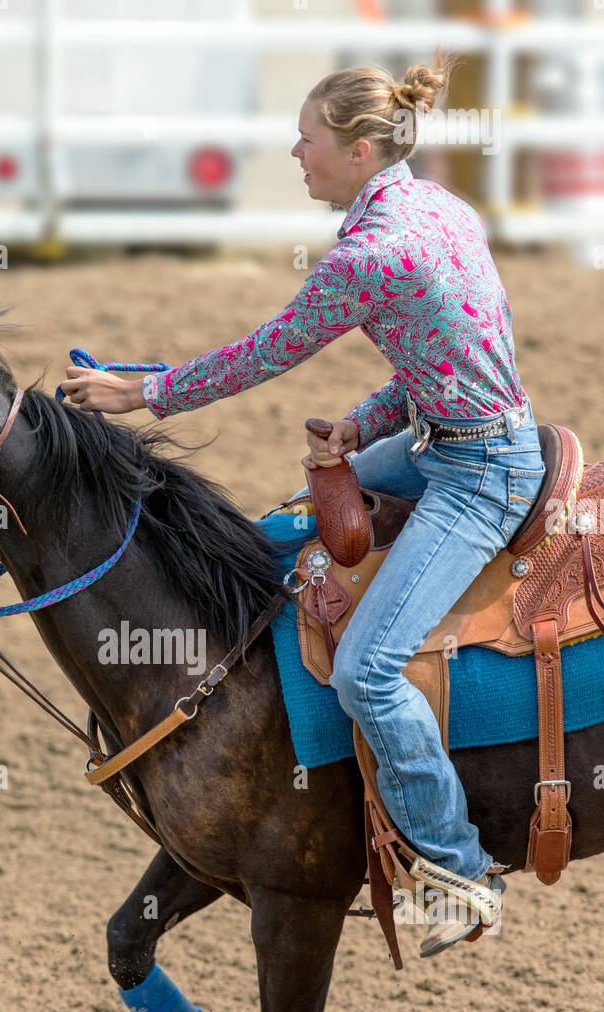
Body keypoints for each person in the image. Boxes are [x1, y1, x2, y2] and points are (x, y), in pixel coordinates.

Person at [58, 59, 546, 957]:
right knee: (284, 536)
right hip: (454, 433)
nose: (295, 151)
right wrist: (360, 427)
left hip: (479, 473)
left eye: (309, 138)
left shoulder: (372, 253)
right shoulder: (439, 209)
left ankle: (459, 868)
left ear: (358, 150)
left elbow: (266, 352)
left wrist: (146, 395)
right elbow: (445, 359)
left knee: (367, 668)